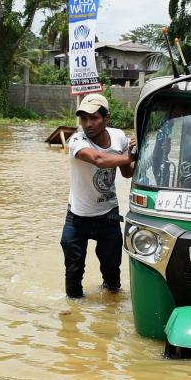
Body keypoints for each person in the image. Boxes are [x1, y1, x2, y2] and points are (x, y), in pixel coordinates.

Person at [62, 93, 135, 299]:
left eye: (94, 118)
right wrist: (129, 156)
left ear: (106, 118)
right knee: (73, 273)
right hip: (78, 217)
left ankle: (110, 309)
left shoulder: (119, 137)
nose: (88, 124)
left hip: (108, 215)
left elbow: (127, 172)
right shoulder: (77, 140)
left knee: (112, 274)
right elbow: (99, 160)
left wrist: (139, 154)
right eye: (83, 118)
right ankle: (72, 313)